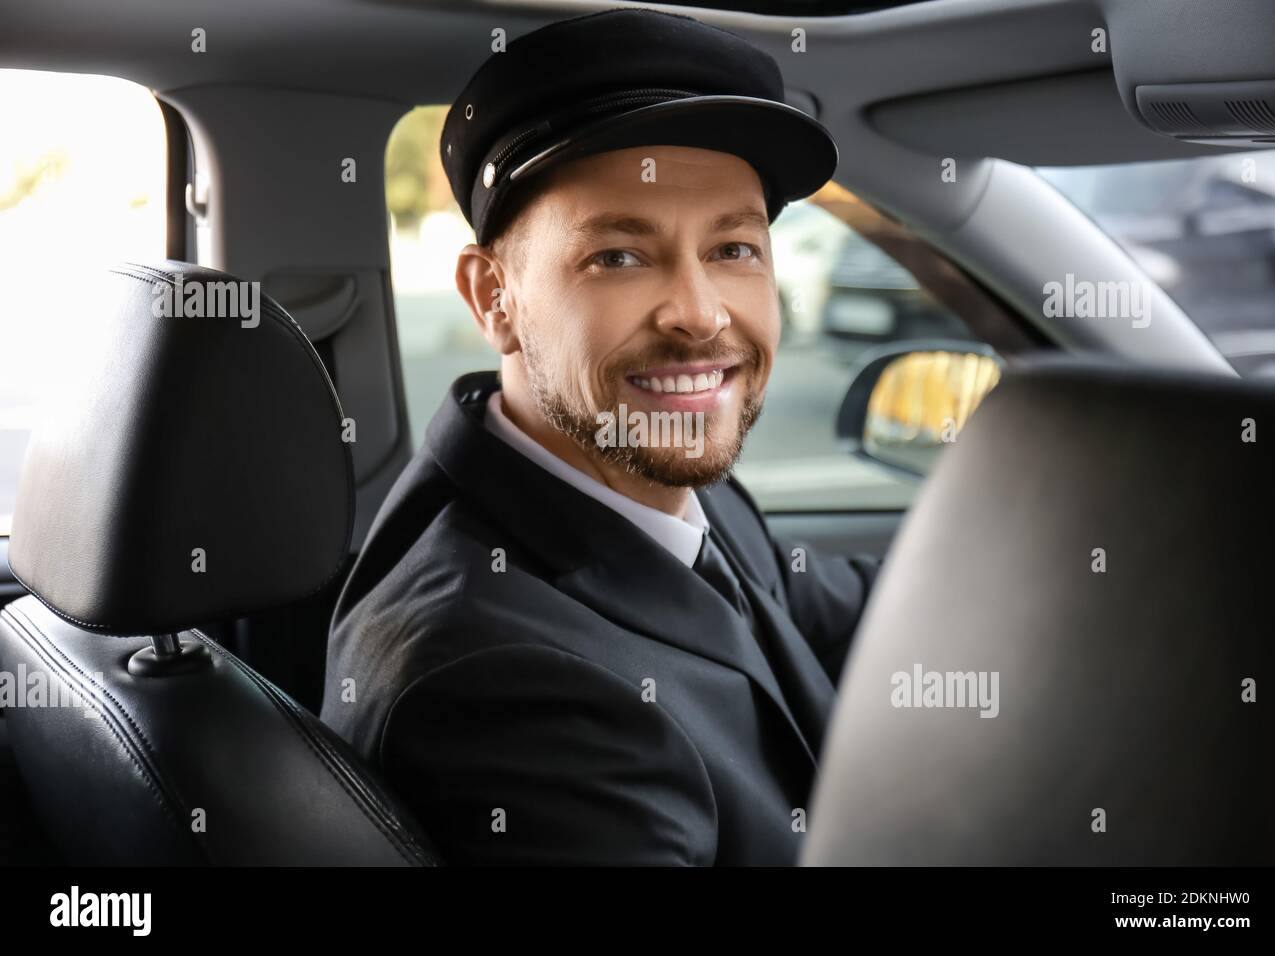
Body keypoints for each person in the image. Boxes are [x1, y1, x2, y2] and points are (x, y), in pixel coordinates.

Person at [322, 6, 879, 865]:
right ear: (494, 299)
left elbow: (858, 614)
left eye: (734, 249)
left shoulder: (662, 487)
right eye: (618, 257)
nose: (700, 315)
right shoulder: (501, 689)